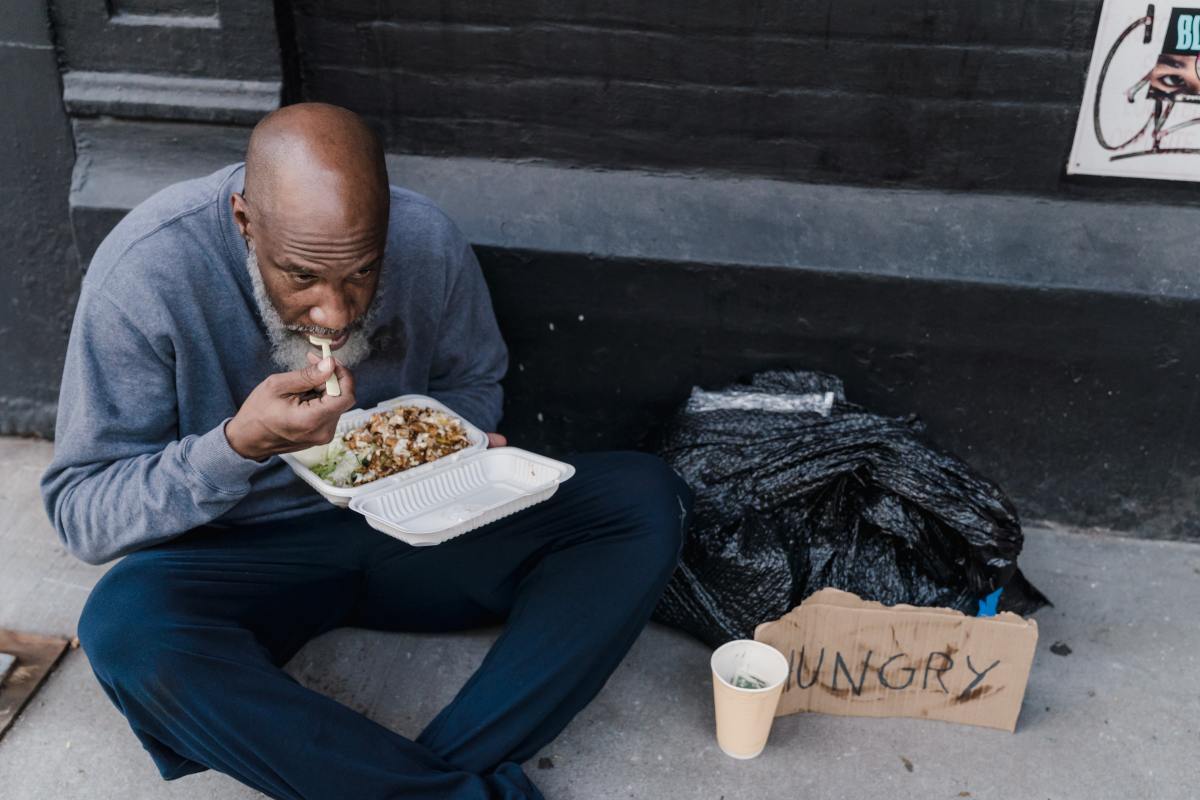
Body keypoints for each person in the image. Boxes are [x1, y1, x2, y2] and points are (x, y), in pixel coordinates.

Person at [41, 103, 692, 800]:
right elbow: (82, 510)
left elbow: (473, 377)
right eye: (301, 277)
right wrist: (240, 444)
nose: (336, 313)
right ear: (243, 221)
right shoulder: (148, 272)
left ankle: (397, 785)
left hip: (415, 529)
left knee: (642, 499)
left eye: (361, 273)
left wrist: (447, 450)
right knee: (126, 632)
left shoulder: (424, 237)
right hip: (242, 552)